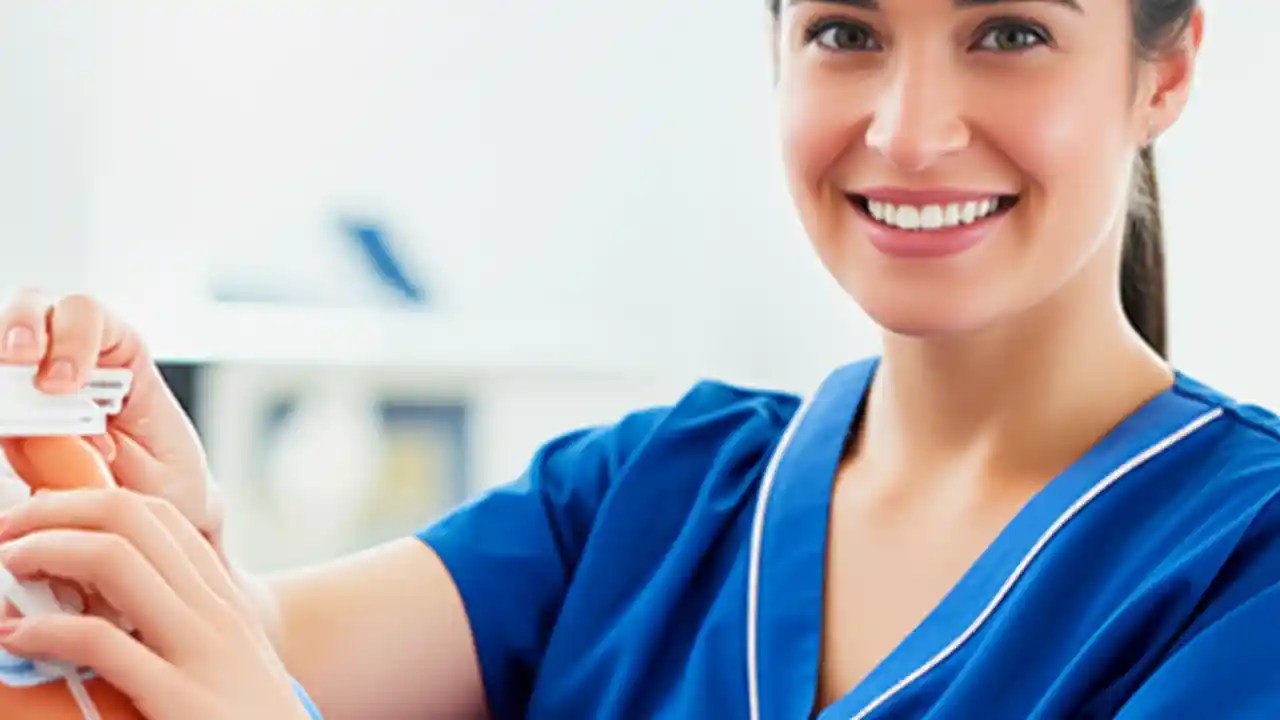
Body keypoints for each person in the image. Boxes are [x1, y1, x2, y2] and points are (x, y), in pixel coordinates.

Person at [0, 0, 1272, 718]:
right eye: (845, 32)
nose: (909, 127)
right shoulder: (652, 492)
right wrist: (146, 539)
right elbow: (238, 651)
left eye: (1007, 32)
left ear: (1163, 71)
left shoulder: (1240, 565)